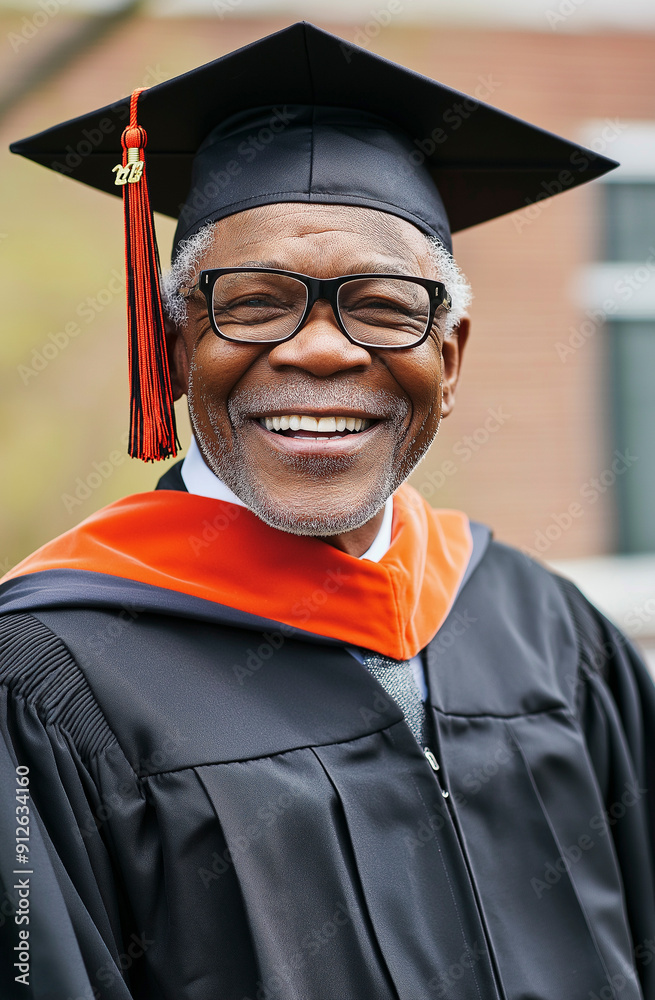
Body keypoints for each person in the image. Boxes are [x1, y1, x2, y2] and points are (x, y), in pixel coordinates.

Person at [1, 20, 653, 1000]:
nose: (319, 350)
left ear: (449, 359)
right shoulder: (47, 682)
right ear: (173, 350)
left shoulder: (548, 629)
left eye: (384, 306)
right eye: (254, 303)